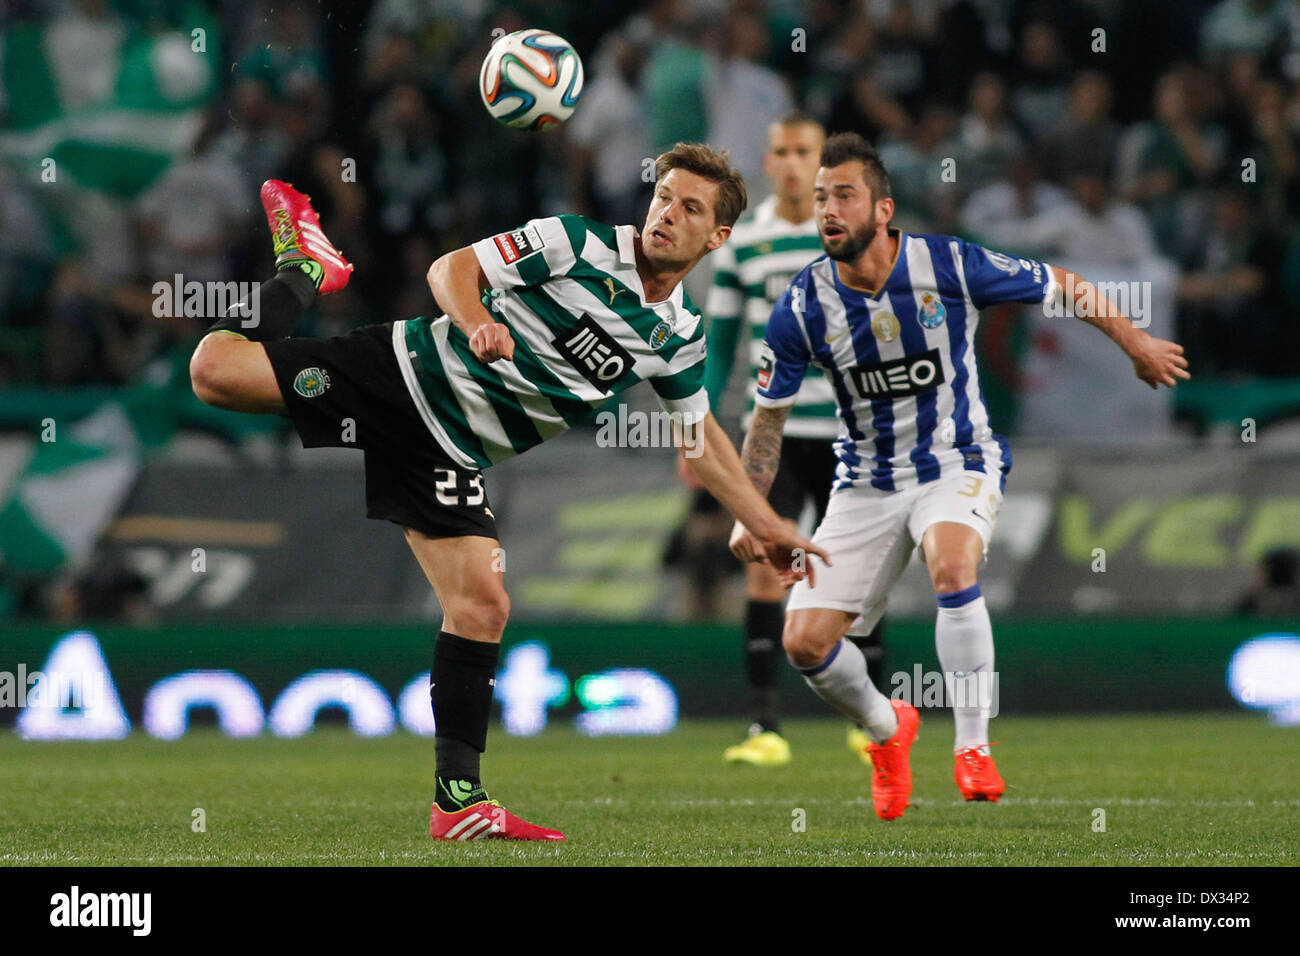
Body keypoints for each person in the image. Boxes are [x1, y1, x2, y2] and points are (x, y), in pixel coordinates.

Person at [189, 144, 828, 842]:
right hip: (403, 381)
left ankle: (458, 801)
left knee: (483, 603)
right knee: (214, 372)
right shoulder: (577, 244)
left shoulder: (677, 339)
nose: (667, 214)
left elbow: (700, 440)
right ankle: (307, 266)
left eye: (690, 208)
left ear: (718, 237)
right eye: (664, 196)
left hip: (454, 449)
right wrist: (477, 322)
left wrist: (766, 524)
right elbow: (451, 269)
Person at [730, 133, 1190, 821]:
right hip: (865, 483)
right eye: (822, 197)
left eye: (844, 195)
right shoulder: (802, 306)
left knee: (952, 565)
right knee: (805, 644)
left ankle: (972, 744)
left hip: (957, 459)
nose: (828, 209)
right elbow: (767, 421)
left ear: (883, 209)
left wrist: (1138, 343)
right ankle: (889, 731)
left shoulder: (946, 263)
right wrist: (750, 512)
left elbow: (1061, 284)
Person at [694, 111, 885, 768]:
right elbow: (720, 344)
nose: (795, 162)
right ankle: (763, 728)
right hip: (769, 433)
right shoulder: (742, 243)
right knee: (764, 575)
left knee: (860, 579)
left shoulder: (847, 236)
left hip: (848, 430)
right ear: (769, 162)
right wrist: (702, 429)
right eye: (783, 151)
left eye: (805, 150)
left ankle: (873, 722)